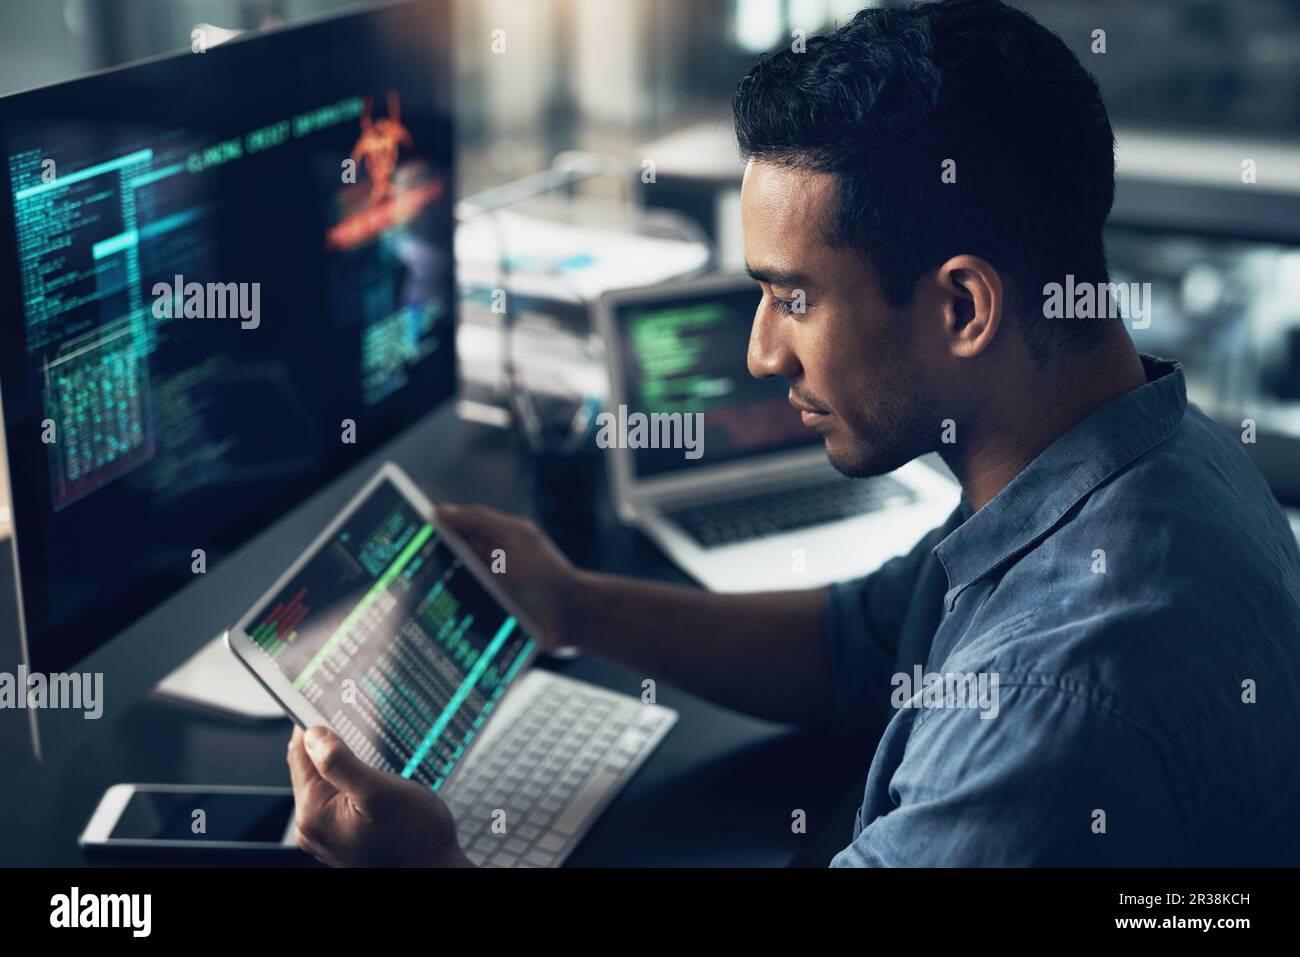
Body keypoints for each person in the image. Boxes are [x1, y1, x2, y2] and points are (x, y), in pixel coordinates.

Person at [287, 0, 1300, 867]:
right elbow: (857, 648)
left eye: (792, 296)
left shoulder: (1050, 709)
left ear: (961, 310)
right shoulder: (1150, 452)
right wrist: (570, 603)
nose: (763, 353)